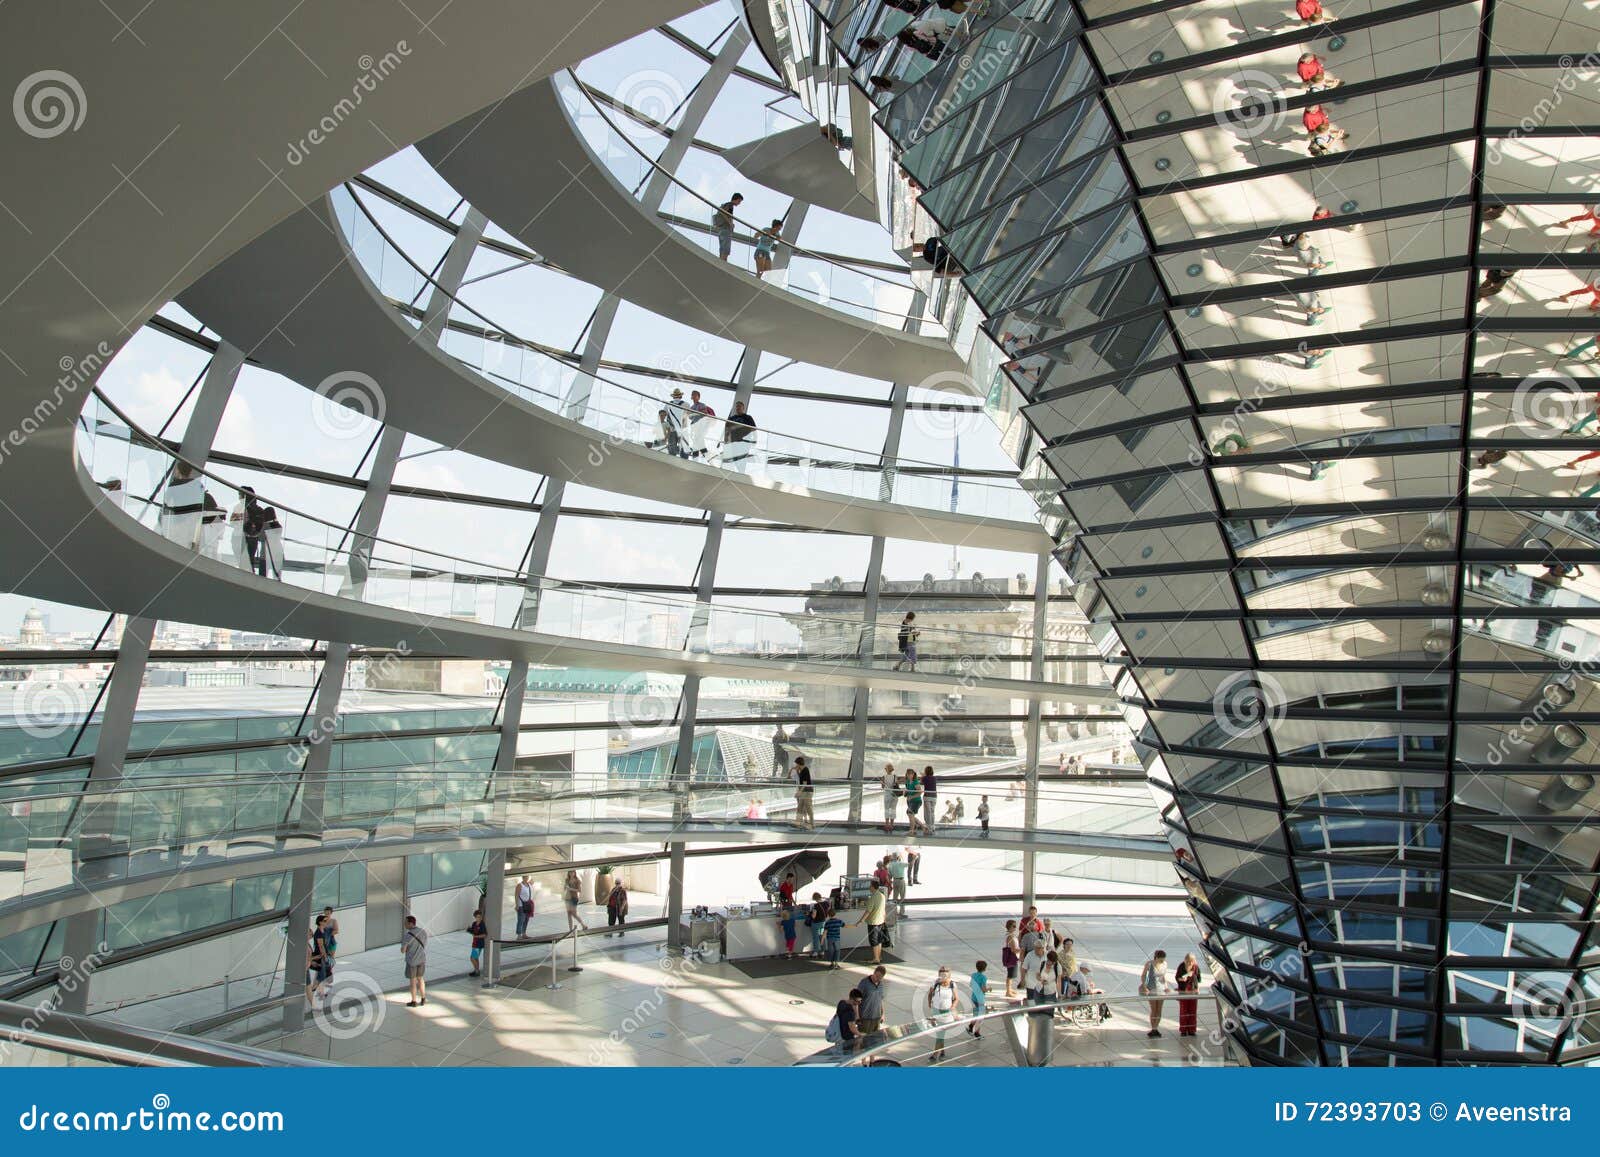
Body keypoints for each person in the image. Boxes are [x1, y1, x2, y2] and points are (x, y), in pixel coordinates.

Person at [160, 462, 205, 549]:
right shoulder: (198, 485)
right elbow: (201, 504)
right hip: (192, 520)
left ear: (178, 471)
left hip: (178, 519)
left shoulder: (174, 485)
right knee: (186, 545)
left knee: (175, 544)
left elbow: (166, 502)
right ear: (190, 472)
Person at [925, 965, 961, 1062]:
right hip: (936, 1011)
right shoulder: (936, 983)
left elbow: (957, 998)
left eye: (945, 975)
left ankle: (935, 1054)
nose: (943, 977)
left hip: (946, 1013)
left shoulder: (952, 984)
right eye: (941, 975)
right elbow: (930, 993)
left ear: (949, 976)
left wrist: (952, 1007)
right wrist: (929, 1004)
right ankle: (942, 1051)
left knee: (940, 1034)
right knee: (940, 1033)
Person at [854, 879, 890, 964]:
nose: (869, 887)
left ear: (873, 887)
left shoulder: (872, 898)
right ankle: (878, 956)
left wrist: (860, 921)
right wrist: (884, 919)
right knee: (879, 940)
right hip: (880, 921)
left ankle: (876, 959)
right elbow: (883, 909)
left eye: (870, 886)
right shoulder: (882, 896)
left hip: (873, 922)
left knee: (873, 941)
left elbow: (868, 911)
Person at [1140, 949, 1169, 1037]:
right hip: (1151, 988)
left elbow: (1163, 977)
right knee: (1154, 1009)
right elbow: (1143, 975)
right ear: (1156, 958)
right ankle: (1153, 1028)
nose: (1162, 961)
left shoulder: (1165, 964)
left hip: (1161, 988)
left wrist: (1166, 987)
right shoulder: (1149, 964)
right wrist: (1144, 986)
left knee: (1159, 1009)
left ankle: (1156, 1028)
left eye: (1163, 959)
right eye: (1160, 960)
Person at [401, 915, 428, 1008]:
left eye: (405, 923)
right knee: (421, 979)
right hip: (422, 960)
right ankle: (423, 998)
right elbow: (425, 944)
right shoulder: (423, 931)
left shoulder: (407, 936)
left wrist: (406, 947)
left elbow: (403, 950)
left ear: (410, 923)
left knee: (413, 981)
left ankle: (414, 1001)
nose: (404, 924)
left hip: (412, 962)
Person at [722, 400, 756, 469]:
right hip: (733, 442)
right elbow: (727, 430)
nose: (738, 408)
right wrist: (725, 440)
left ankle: (741, 473)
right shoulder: (732, 418)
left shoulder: (748, 417)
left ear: (743, 408)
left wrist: (754, 440)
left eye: (739, 406)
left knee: (741, 459)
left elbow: (754, 429)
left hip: (744, 442)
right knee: (732, 458)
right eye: (737, 406)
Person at [1175, 951, 1201, 1036]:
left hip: (1193, 991)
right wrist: (1182, 979)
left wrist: (1197, 989)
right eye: (1188, 960)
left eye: (1192, 961)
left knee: (1192, 1011)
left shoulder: (1196, 967)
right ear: (1185, 960)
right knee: (1184, 1011)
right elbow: (1177, 977)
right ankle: (1183, 1030)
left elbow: (1199, 979)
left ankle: (1192, 1030)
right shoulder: (1181, 966)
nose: (1190, 963)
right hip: (1183, 991)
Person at [857, 964, 888, 1033]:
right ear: (874, 972)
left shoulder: (881, 984)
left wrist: (882, 1014)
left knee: (875, 1040)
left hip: (877, 1018)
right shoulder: (864, 983)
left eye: (880, 977)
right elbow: (856, 1001)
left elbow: (880, 1000)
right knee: (863, 1040)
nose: (877, 979)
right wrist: (858, 1017)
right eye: (877, 976)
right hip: (865, 1018)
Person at [713, 193, 743, 261]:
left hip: (721, 229)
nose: (739, 203)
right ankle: (723, 263)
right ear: (736, 199)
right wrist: (730, 223)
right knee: (726, 249)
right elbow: (723, 212)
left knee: (722, 248)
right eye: (739, 201)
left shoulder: (727, 205)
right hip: (725, 229)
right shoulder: (730, 205)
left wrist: (731, 223)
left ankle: (722, 262)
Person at [199, 490, 226, 558]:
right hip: (211, 547)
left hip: (206, 547)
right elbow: (220, 536)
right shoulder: (219, 520)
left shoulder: (215, 519)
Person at [792, 753, 815, 830]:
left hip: (807, 792)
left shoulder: (805, 769)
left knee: (808, 808)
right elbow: (801, 780)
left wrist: (799, 792)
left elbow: (805, 783)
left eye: (796, 764)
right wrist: (796, 771)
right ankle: (798, 823)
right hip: (804, 791)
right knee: (800, 808)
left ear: (799, 763)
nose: (795, 765)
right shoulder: (801, 770)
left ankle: (812, 824)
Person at [966, 959, 989, 1037]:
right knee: (981, 1016)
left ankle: (971, 1026)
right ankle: (977, 1032)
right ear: (985, 968)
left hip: (974, 997)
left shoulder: (973, 975)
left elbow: (971, 985)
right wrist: (989, 989)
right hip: (980, 999)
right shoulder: (983, 977)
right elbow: (983, 989)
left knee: (976, 1013)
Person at [261, 506, 284, 578]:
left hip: (266, 553)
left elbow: (261, 538)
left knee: (262, 577)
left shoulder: (265, 526)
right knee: (277, 577)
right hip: (278, 552)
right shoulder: (278, 525)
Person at [903, 767, 927, 834]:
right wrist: (905, 793)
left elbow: (920, 792)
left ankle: (912, 830)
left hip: (916, 801)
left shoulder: (915, 782)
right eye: (908, 774)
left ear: (913, 774)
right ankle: (922, 826)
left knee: (910, 813)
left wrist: (912, 797)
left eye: (911, 774)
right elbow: (907, 792)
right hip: (910, 801)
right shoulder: (907, 782)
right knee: (911, 815)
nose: (909, 775)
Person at [467, 909, 488, 976]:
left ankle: (477, 971)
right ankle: (476, 970)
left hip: (478, 944)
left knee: (472, 958)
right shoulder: (474, 924)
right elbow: (473, 932)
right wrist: (469, 930)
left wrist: (477, 936)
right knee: (475, 958)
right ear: (475, 917)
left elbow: (484, 934)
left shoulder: (482, 924)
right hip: (475, 943)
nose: (479, 918)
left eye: (480, 917)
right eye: (477, 917)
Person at [881, 762, 899, 832]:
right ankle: (892, 825)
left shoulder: (883, 777)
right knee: (893, 809)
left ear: (886, 769)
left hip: (887, 795)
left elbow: (882, 787)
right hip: (894, 796)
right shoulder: (895, 777)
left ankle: (887, 824)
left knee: (886, 809)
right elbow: (897, 785)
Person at [921, 765, 938, 832]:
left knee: (927, 812)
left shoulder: (925, 778)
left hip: (927, 796)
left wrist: (923, 776)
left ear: (926, 771)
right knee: (932, 812)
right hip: (934, 796)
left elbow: (921, 782)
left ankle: (928, 826)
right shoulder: (934, 778)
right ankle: (933, 826)